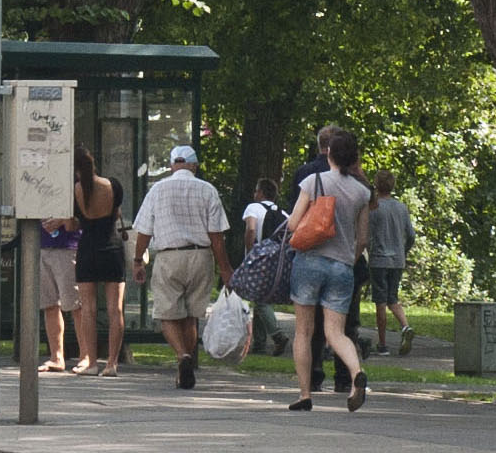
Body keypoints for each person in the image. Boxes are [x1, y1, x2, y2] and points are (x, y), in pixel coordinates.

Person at [130, 144, 234, 389]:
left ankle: (182, 356)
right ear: (194, 165)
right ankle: (186, 362)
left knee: (167, 313)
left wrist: (138, 260)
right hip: (200, 256)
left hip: (169, 256)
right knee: (191, 315)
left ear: (171, 165)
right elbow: (216, 236)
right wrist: (225, 268)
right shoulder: (208, 190)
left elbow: (144, 231)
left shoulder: (157, 190)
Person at [285, 128, 373, 412]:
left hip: (309, 261)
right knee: (336, 332)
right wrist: (348, 258)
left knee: (304, 331)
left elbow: (293, 224)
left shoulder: (314, 181)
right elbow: (363, 239)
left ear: (330, 154)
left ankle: (305, 394)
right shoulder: (362, 192)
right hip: (342, 267)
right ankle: (356, 372)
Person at [69, 145, 128, 376]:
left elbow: (72, 224)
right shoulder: (112, 185)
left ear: (75, 169)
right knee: (115, 309)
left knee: (88, 309)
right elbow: (116, 214)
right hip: (112, 248)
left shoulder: (75, 191)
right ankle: (112, 363)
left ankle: (92, 362)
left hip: (88, 249)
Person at [240, 178, 293, 356]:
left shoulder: (253, 208)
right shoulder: (284, 214)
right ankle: (259, 343)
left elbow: (251, 229)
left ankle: (278, 335)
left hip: (259, 259)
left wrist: (250, 251)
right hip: (278, 261)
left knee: (260, 300)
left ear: (261, 193)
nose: (254, 194)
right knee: (262, 298)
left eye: (256, 190)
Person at [366, 169, 416, 355]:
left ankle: (383, 344)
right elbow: (411, 235)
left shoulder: (374, 208)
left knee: (380, 301)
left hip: (379, 260)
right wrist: (403, 251)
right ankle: (405, 326)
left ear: (376, 186)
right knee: (392, 299)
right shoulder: (401, 208)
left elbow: (367, 235)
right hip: (397, 261)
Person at [33, 219, 80, 371]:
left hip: (69, 246)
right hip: (42, 244)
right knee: (49, 305)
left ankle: (86, 356)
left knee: (76, 305)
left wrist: (63, 220)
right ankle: (56, 357)